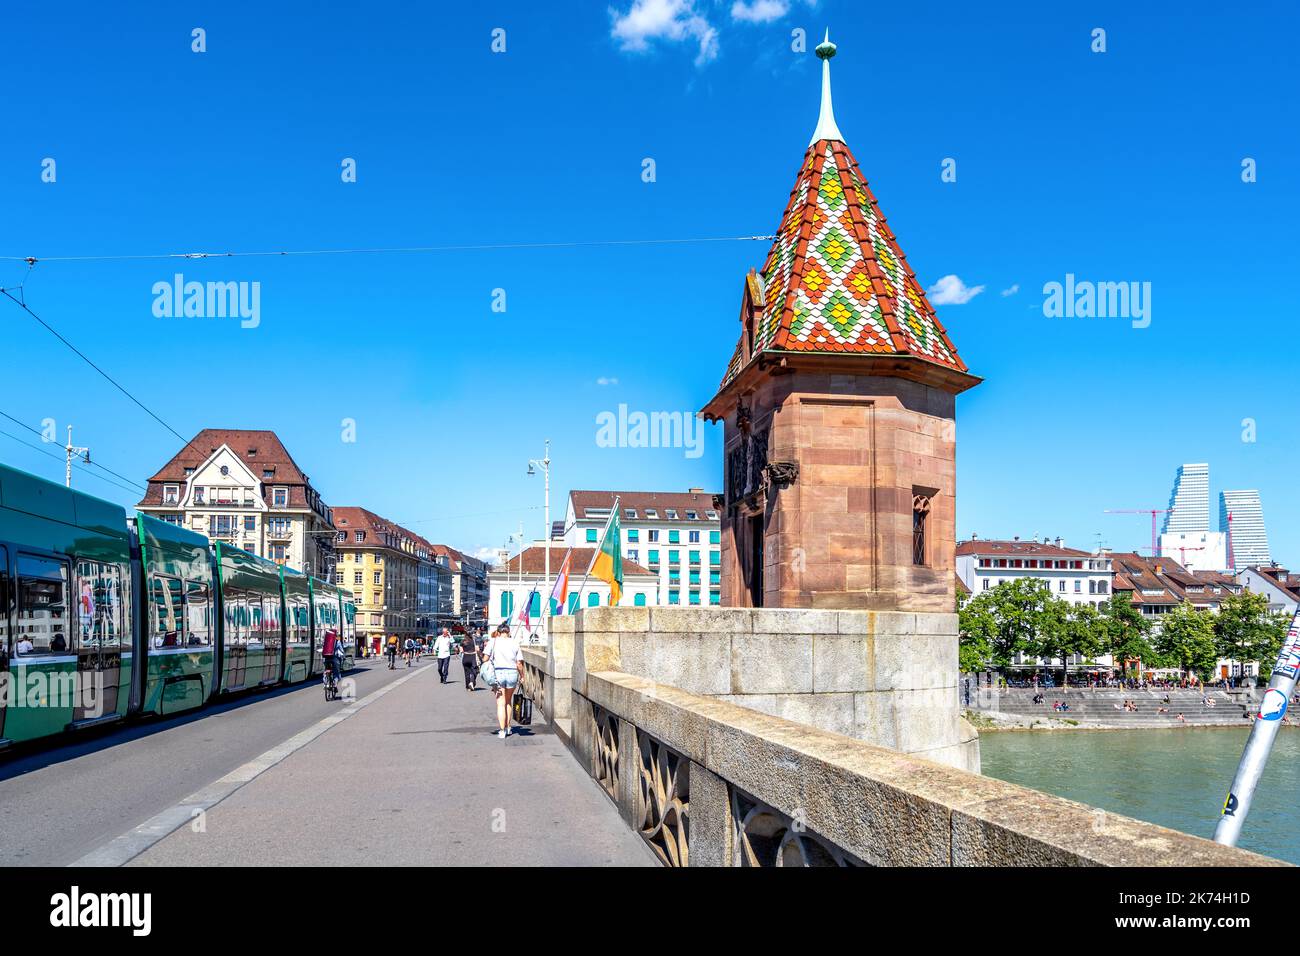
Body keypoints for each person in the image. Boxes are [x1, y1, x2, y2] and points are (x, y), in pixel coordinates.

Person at [483, 624, 524, 739]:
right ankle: (509, 727)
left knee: (500, 703)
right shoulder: (514, 642)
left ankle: (502, 731)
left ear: (499, 632)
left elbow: (485, 659)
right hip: (512, 674)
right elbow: (519, 663)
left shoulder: (493, 642)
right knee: (508, 702)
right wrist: (522, 676)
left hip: (498, 674)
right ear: (508, 632)